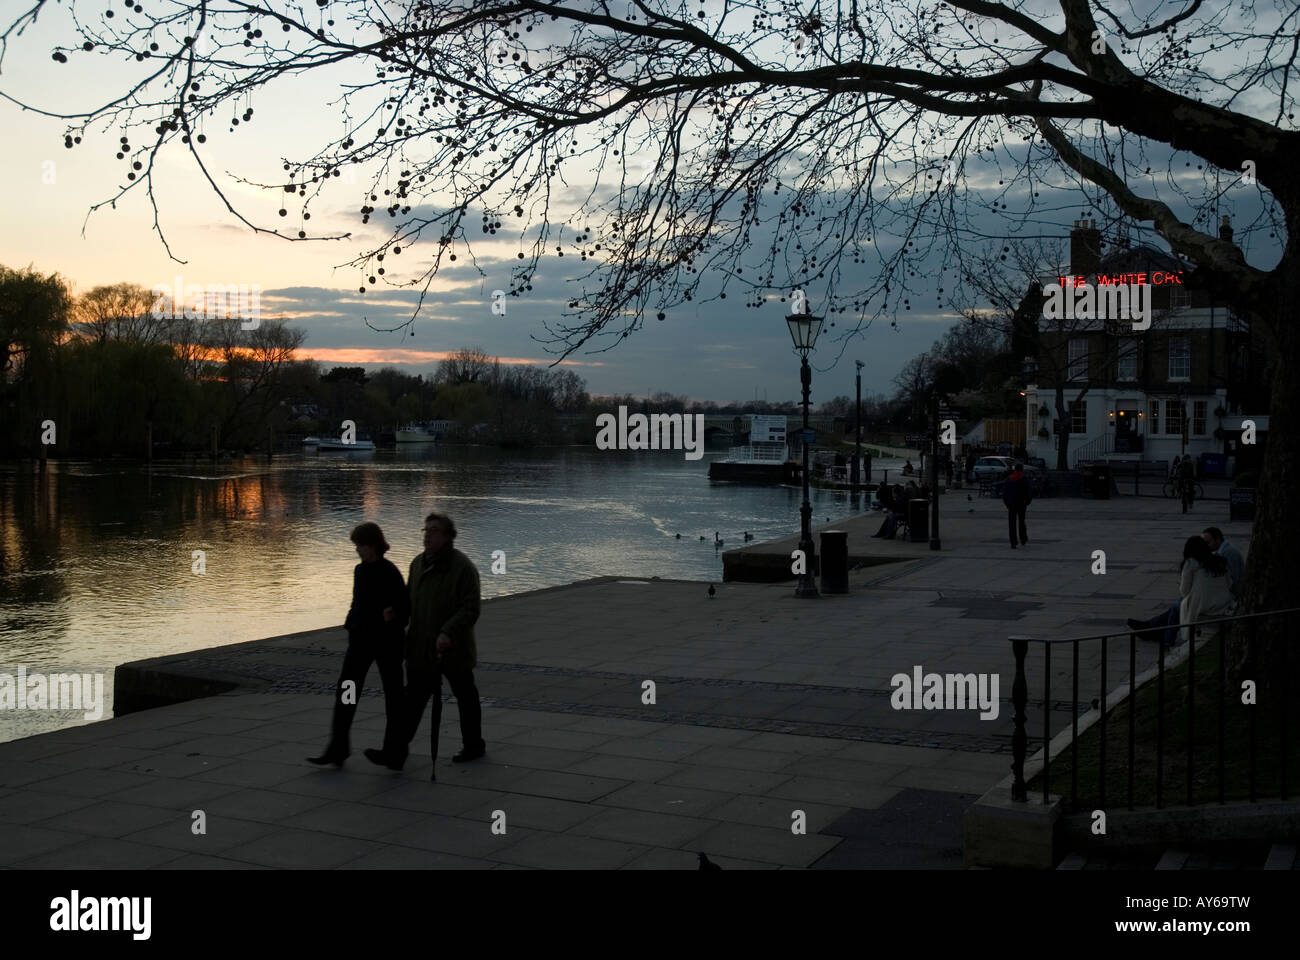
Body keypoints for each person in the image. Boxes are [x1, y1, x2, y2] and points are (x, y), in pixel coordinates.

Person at [368, 512, 484, 780]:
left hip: (452, 649)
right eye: (426, 530)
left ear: (447, 537)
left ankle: (474, 745)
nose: (428, 535)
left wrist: (447, 632)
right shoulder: (418, 563)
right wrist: (395, 613)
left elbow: (470, 609)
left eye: (434, 531)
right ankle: (395, 754)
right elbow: (411, 601)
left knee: (465, 695)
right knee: (412, 703)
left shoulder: (462, 567)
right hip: (421, 648)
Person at [308, 522, 409, 768]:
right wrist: (351, 626)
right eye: (356, 546)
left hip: (387, 644)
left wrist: (392, 613)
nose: (357, 550)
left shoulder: (389, 571)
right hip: (361, 643)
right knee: (347, 693)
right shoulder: (360, 570)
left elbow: (406, 608)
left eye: (360, 545)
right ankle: (338, 747)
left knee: (393, 696)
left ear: (373, 544)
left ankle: (394, 752)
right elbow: (357, 603)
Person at [1177, 535, 1233, 644]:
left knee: (1179, 605)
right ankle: (1164, 635)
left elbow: (1184, 591)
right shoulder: (1219, 560)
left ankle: (1167, 638)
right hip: (1223, 603)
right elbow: (1229, 583)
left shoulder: (1191, 563)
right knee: (1176, 608)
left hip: (1204, 606)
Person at [1201, 527, 1246, 602]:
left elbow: (1233, 580)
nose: (1205, 546)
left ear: (1218, 540)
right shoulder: (1220, 551)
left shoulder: (1229, 553)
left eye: (1208, 543)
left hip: (1231, 596)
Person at [1002, 462, 1031, 548]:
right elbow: (1028, 491)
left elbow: (1005, 493)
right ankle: (1023, 538)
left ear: (1015, 469)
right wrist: (1028, 501)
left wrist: (1007, 503)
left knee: (1012, 523)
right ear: (1022, 469)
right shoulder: (1024, 479)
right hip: (1021, 503)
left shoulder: (1009, 479)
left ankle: (1013, 542)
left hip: (1011, 503)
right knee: (1021, 521)